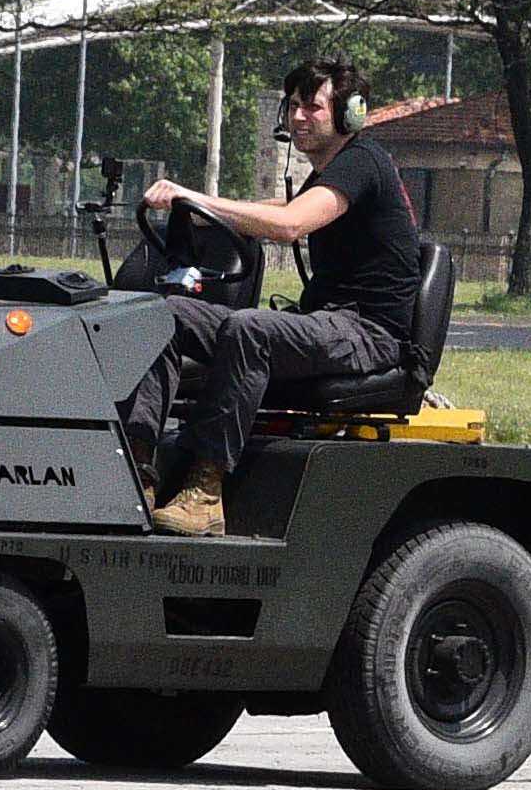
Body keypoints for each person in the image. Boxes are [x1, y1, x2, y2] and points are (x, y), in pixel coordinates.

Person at [117, 61, 433, 534]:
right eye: (295, 107)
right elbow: (283, 207)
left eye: (314, 106)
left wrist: (190, 195)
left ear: (350, 115)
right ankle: (136, 467)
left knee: (251, 328)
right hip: (329, 322)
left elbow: (290, 225)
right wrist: (196, 208)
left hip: (368, 332)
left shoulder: (364, 161)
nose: (300, 117)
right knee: (166, 314)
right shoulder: (331, 173)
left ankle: (205, 493)